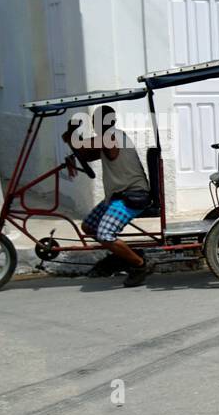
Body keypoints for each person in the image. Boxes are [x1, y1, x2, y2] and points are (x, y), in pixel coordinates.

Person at [63, 104, 153, 287]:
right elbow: (87, 154)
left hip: (132, 195)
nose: (98, 125)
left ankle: (139, 265)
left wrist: (72, 134)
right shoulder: (109, 139)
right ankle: (121, 255)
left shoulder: (111, 138)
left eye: (99, 121)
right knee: (89, 226)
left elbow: (82, 145)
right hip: (117, 196)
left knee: (105, 234)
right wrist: (74, 151)